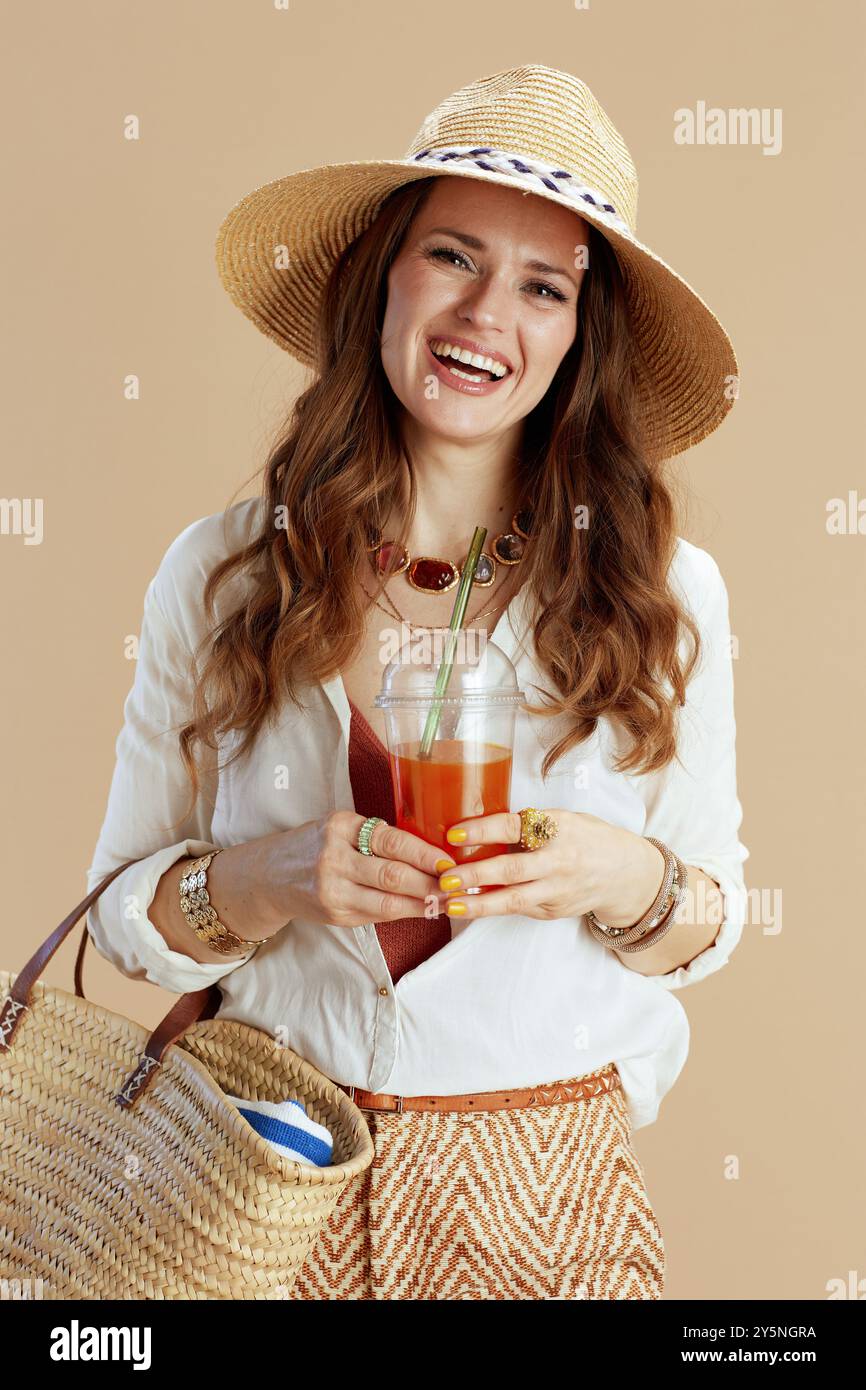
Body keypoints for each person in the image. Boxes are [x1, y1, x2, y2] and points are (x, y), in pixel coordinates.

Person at [86, 65, 749, 1300]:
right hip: (262, 1172)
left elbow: (708, 920)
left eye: (541, 286)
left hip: (547, 1191)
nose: (486, 312)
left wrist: (616, 872)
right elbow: (128, 922)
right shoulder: (225, 574)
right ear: (384, 276)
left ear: (574, 336)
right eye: (451, 256)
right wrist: (262, 878)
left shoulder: (662, 590)